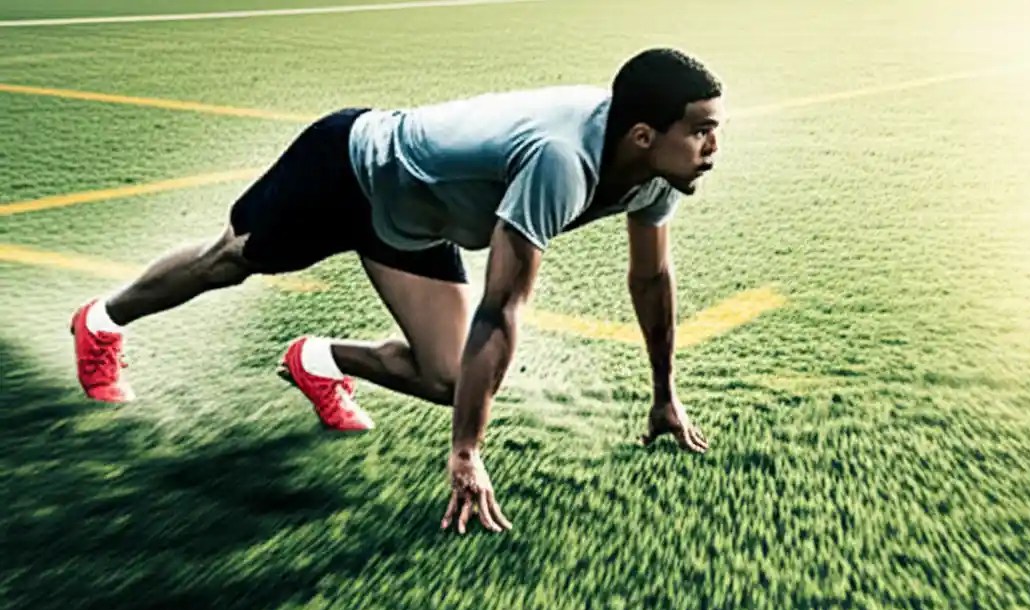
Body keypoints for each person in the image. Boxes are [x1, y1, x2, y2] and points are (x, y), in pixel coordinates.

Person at [69, 47, 724, 535]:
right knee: (227, 261)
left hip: (412, 227)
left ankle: (318, 360)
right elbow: (501, 308)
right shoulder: (561, 158)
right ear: (644, 135)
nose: (712, 146)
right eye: (700, 130)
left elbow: (649, 278)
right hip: (348, 168)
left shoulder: (658, 173)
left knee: (447, 378)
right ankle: (101, 321)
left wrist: (664, 393)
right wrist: (466, 453)